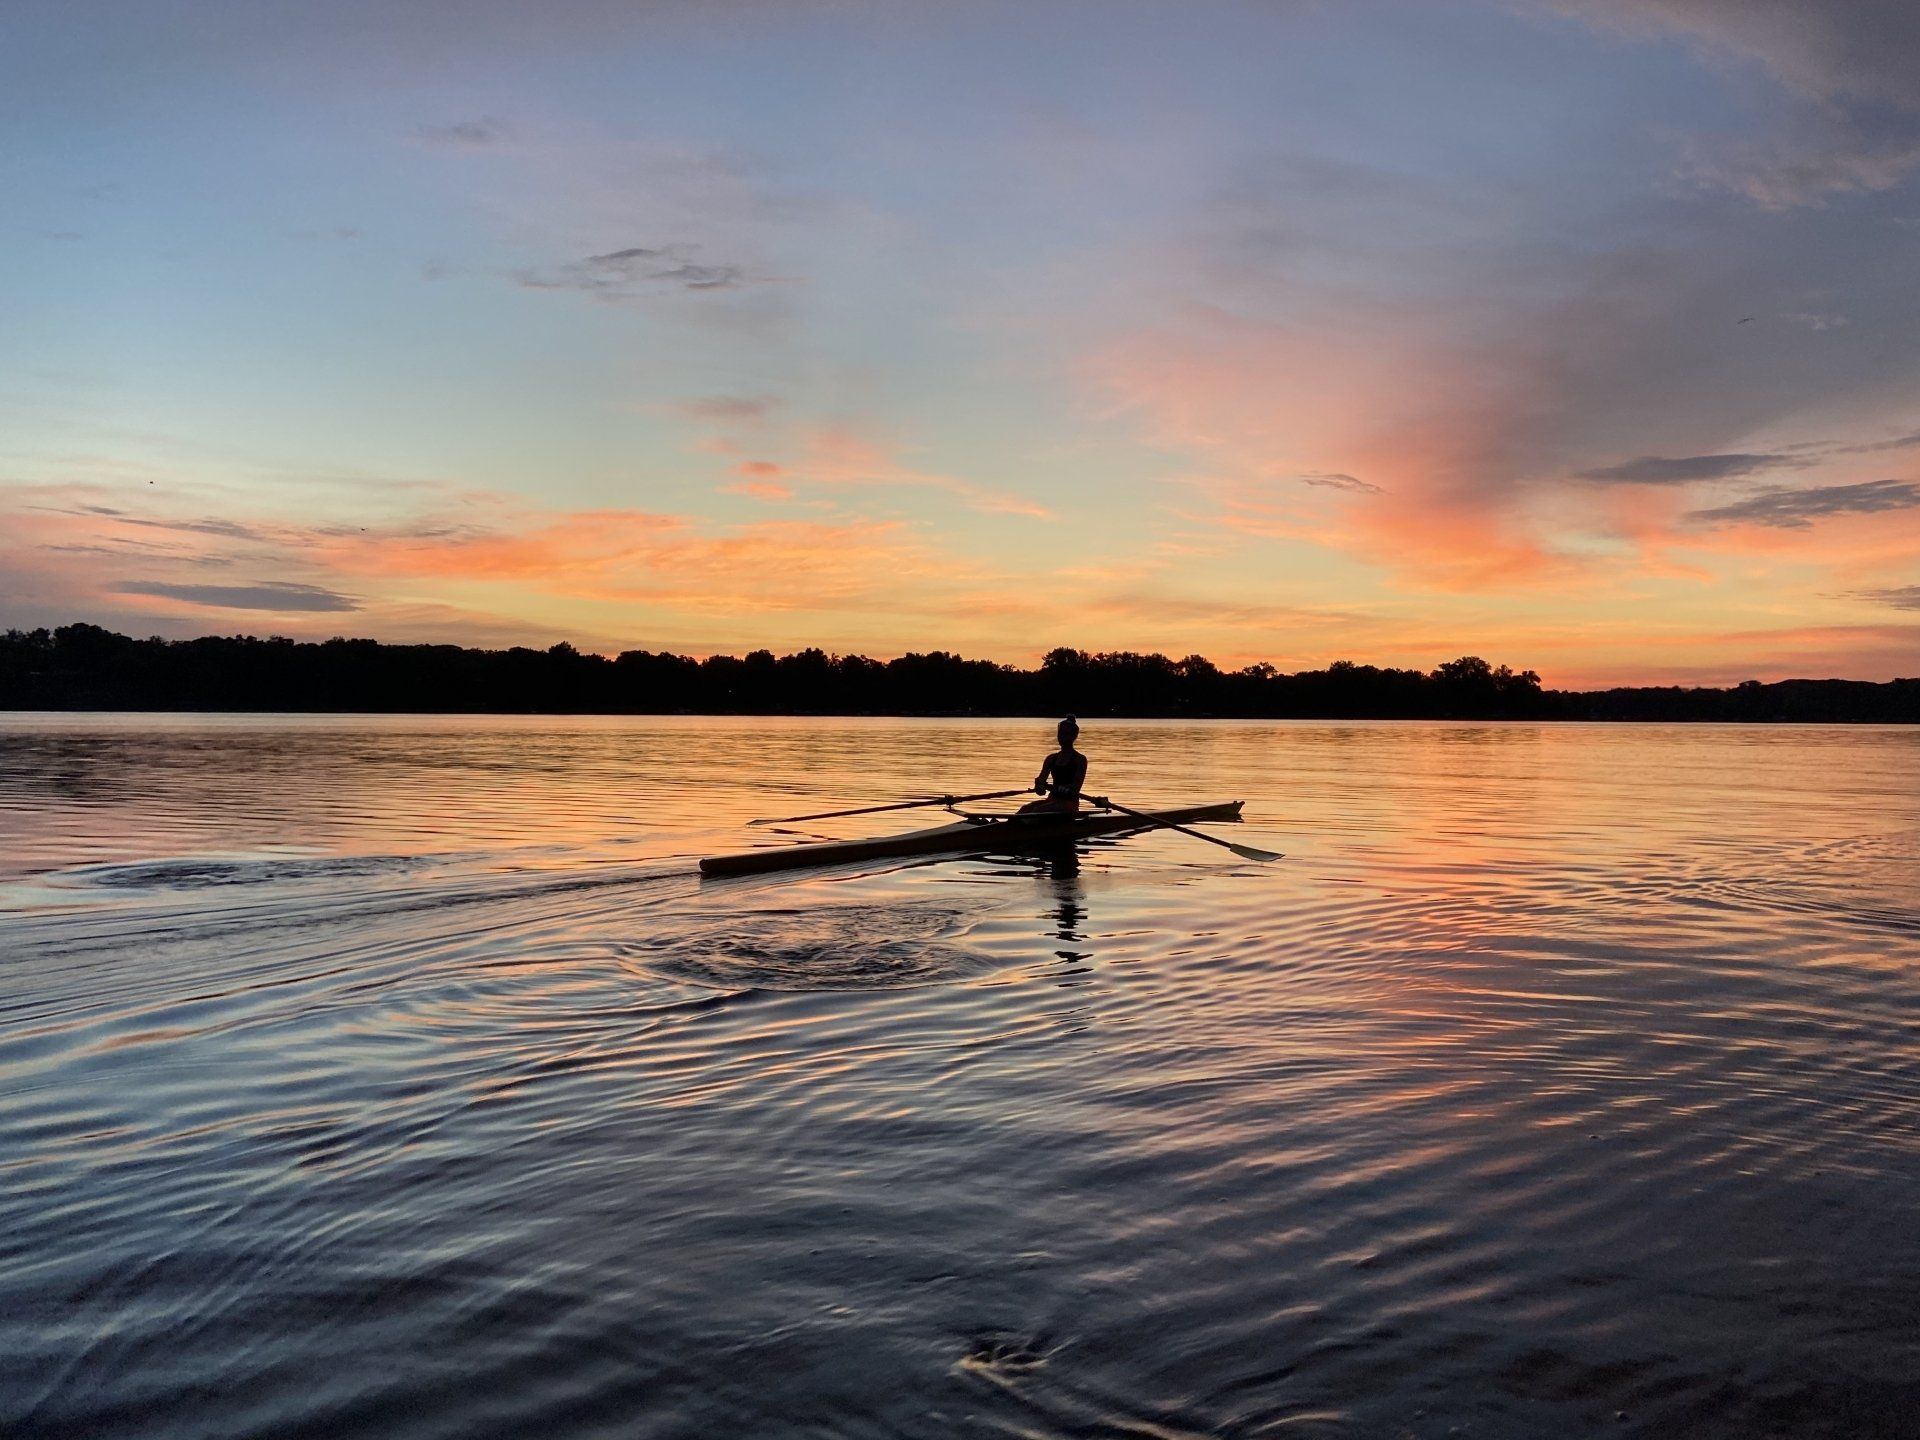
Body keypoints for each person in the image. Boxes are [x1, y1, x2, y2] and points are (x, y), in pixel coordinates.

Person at [1020, 715, 1089, 813]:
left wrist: (1055, 788)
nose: (1062, 736)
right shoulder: (1051, 759)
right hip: (1051, 801)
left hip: (1069, 805)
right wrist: (1039, 786)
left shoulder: (1080, 760)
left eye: (1066, 733)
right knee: (1025, 809)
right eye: (1060, 733)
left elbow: (1075, 789)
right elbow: (1041, 789)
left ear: (1074, 736)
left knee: (1038, 810)